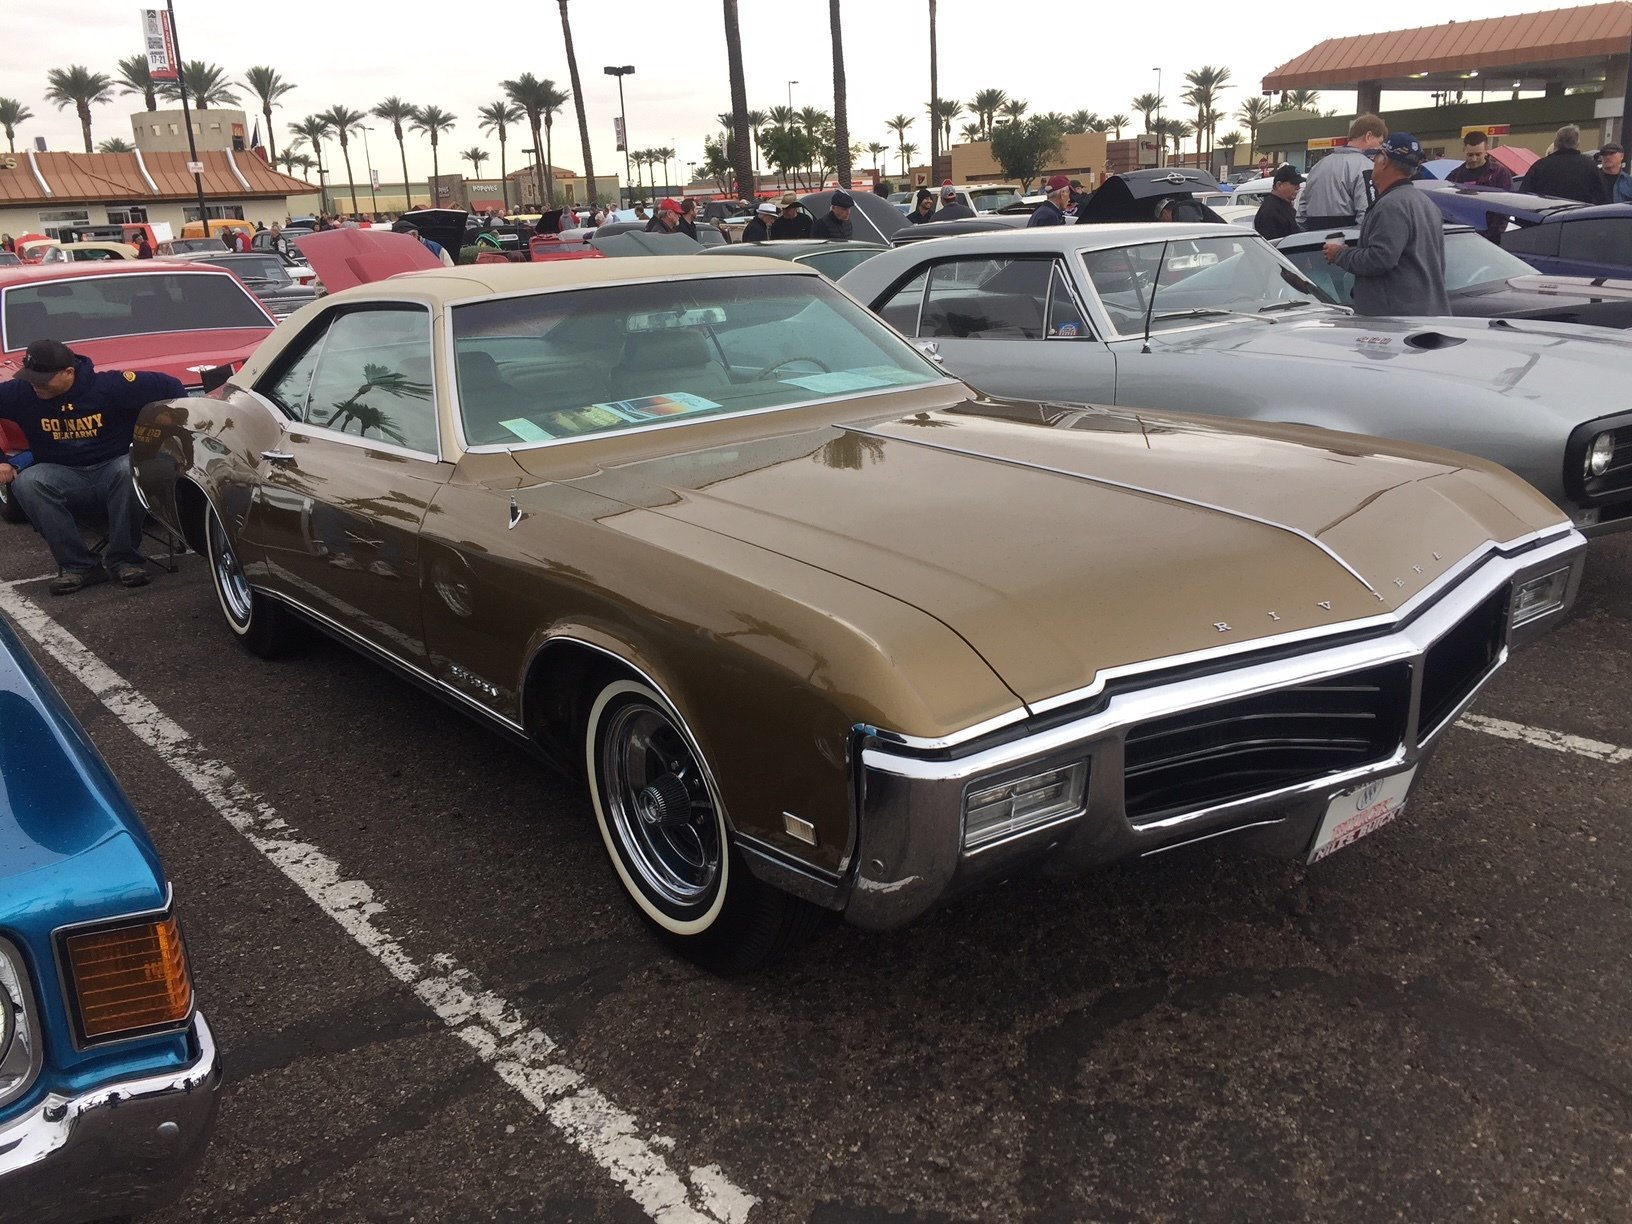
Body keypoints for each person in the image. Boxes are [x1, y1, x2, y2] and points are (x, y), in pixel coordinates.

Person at [0, 339, 185, 595]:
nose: (36, 385)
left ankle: (126, 561)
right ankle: (79, 566)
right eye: (31, 378)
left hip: (114, 469)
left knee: (129, 468)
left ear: (68, 372)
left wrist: (164, 440)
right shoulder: (22, 392)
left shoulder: (110, 386)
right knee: (28, 482)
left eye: (42, 379)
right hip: (60, 473)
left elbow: (172, 387)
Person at [1323, 132, 1448, 317]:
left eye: (1376, 156)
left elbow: (1380, 259)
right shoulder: (1425, 203)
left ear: (1384, 161)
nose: (1374, 161)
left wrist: (1340, 254)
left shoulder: (1391, 205)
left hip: (1395, 323)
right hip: (1425, 314)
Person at [1297, 113, 1387, 230]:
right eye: (1380, 142)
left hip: (1313, 241)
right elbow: (1367, 215)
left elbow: (1301, 215)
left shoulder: (1317, 167)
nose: (1380, 148)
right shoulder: (1366, 167)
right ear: (1368, 136)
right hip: (1347, 242)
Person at [1447, 130, 1516, 243]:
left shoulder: (1499, 173)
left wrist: (1494, 234)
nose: (1474, 159)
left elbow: (1506, 207)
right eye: (1470, 155)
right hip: (1460, 235)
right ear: (1464, 149)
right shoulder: (1454, 175)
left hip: (1490, 237)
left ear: (1486, 150)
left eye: (1478, 154)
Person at [1524, 125, 1607, 203]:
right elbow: (1602, 199)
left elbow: (1525, 196)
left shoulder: (1540, 166)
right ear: (1577, 143)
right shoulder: (1590, 166)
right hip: (1580, 215)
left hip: (1546, 214)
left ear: (1556, 143)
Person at [1253, 164, 1303, 241]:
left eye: (1299, 184)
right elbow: (1273, 245)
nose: (1298, 187)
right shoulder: (1270, 211)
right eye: (1294, 184)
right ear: (1279, 185)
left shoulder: (1283, 206)